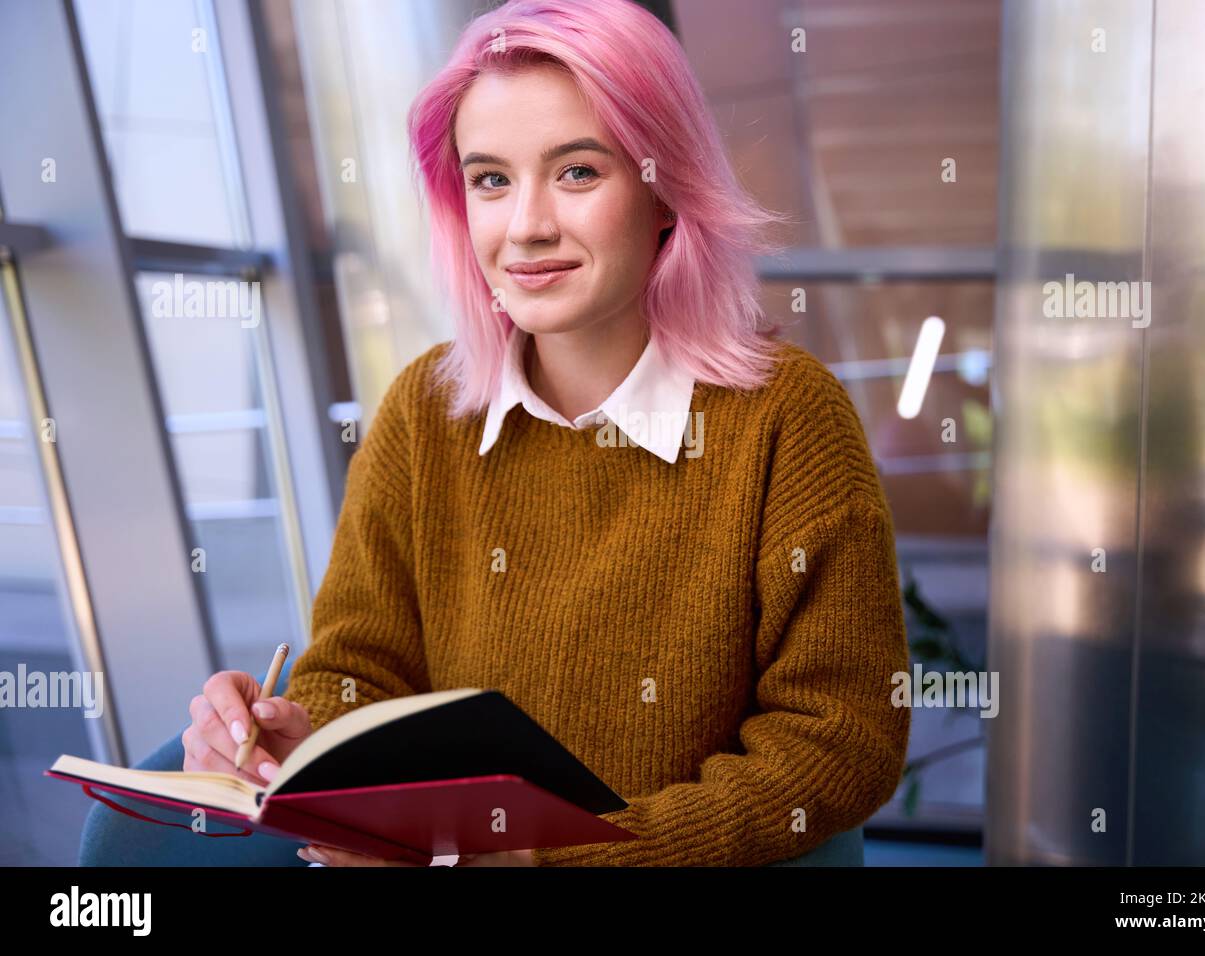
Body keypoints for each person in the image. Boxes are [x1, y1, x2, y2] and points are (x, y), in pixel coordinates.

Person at [181, 0, 909, 867]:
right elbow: (359, 673)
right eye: (490, 179)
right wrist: (298, 739)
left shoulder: (789, 419)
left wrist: (557, 861)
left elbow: (837, 743)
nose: (525, 225)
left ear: (666, 189)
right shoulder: (424, 409)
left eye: (576, 172)